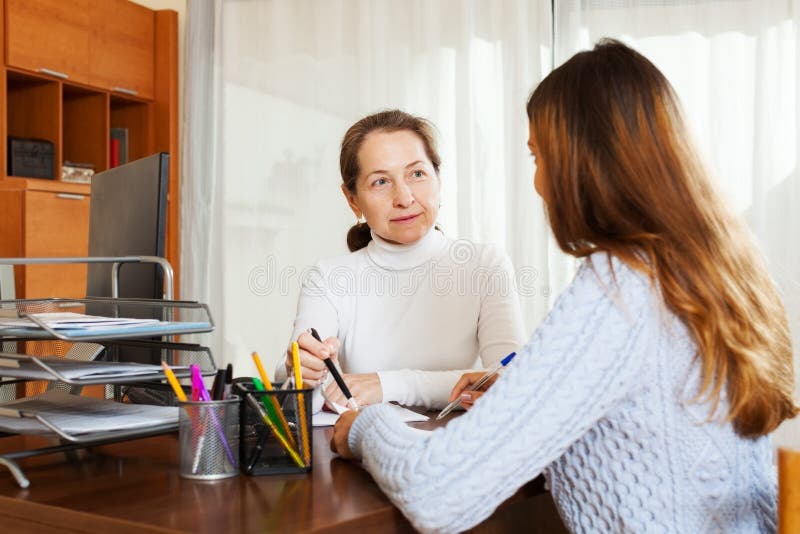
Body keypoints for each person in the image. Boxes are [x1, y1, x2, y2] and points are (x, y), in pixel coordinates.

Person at [330, 39, 797, 533]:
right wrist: (525, 394)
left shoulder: (622, 285)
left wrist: (364, 426)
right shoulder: (710, 267)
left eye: (538, 156)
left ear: (580, 161)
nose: (537, 182)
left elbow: (439, 491)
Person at [277, 109, 526, 411]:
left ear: (438, 178)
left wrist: (387, 384)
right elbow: (314, 398)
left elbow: (509, 382)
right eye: (381, 182)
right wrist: (300, 374)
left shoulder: (485, 264)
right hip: (357, 449)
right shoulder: (328, 277)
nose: (405, 198)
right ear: (352, 199)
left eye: (417, 174)